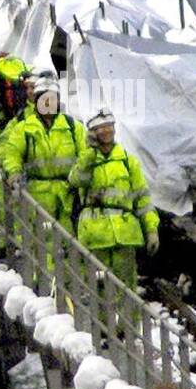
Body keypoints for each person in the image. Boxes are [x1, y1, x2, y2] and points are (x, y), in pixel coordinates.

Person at [68, 108, 159, 291]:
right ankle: (102, 321)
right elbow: (77, 179)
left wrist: (151, 229)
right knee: (99, 288)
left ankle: (128, 320)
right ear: (92, 132)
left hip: (125, 235)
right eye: (100, 128)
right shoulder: (87, 160)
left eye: (108, 126)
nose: (105, 131)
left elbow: (142, 198)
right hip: (95, 234)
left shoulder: (127, 161)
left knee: (126, 287)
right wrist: (89, 153)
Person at [0, 75, 86, 233]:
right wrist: (14, 172)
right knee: (43, 242)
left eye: (52, 98)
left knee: (68, 240)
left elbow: (86, 155)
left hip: (67, 196)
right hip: (37, 196)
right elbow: (12, 152)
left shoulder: (73, 127)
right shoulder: (24, 128)